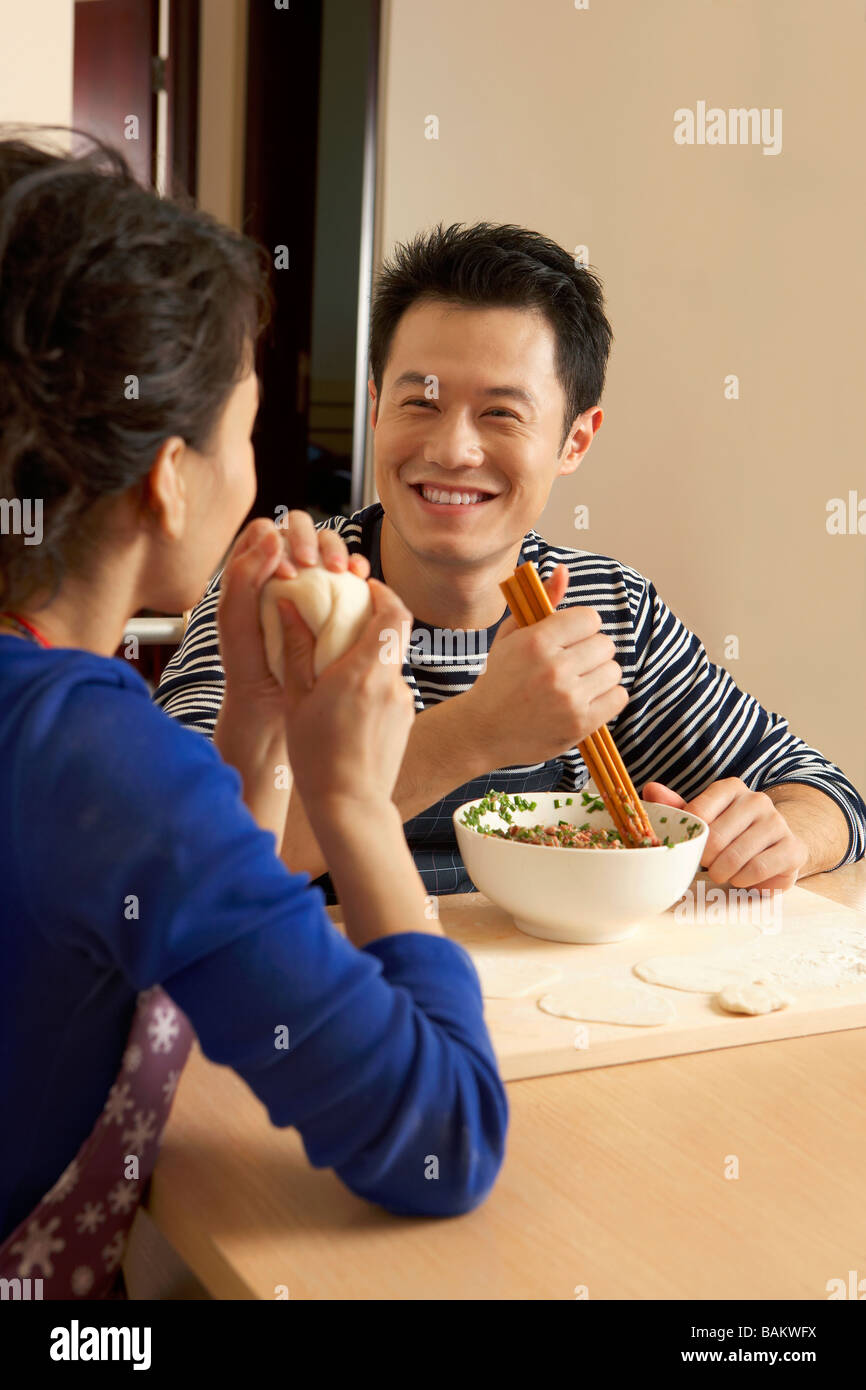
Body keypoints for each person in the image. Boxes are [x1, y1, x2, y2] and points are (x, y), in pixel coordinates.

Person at [0, 133, 508, 1281]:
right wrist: (354, 801)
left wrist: (253, 726)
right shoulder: (93, 751)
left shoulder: (77, 737)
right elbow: (441, 1140)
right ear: (168, 479)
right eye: (243, 432)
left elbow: (158, 909)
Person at [156, 223, 866, 898]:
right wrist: (478, 732)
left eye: (501, 413)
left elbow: (827, 794)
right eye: (419, 403)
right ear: (375, 410)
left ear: (575, 441)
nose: (453, 450)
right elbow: (171, 850)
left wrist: (781, 837)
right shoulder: (296, 590)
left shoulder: (607, 607)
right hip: (344, 1004)